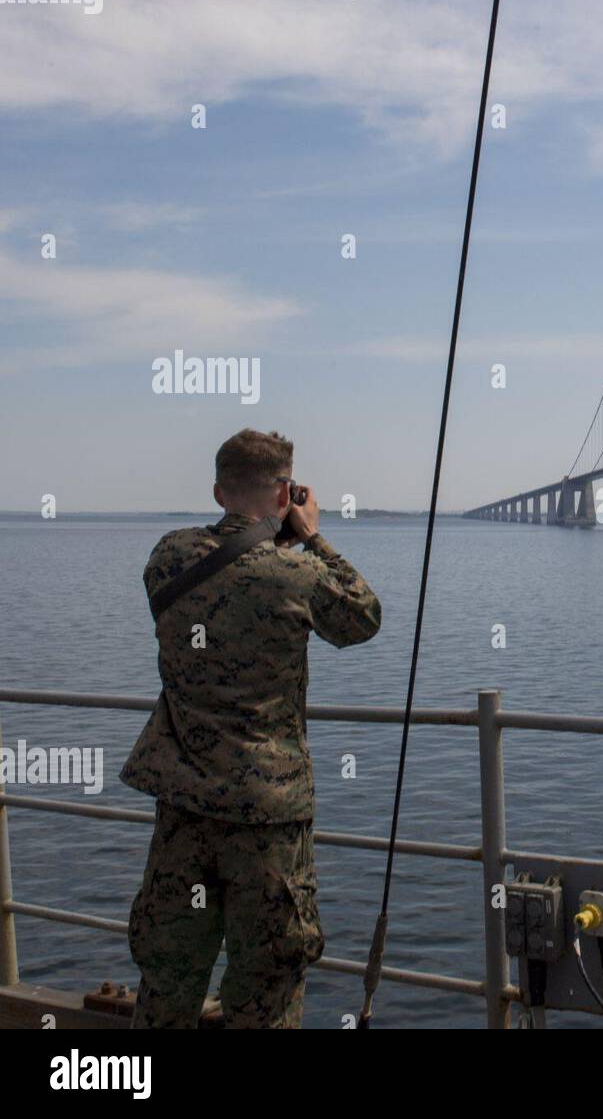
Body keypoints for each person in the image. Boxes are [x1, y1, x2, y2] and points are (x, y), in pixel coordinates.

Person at [120, 428, 382, 1028]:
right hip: (266, 816)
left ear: (217, 489)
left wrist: (271, 534)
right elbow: (362, 617)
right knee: (266, 990)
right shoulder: (294, 576)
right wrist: (310, 537)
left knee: (167, 981)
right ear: (288, 491)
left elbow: (222, 576)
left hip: (182, 811)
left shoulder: (167, 557)